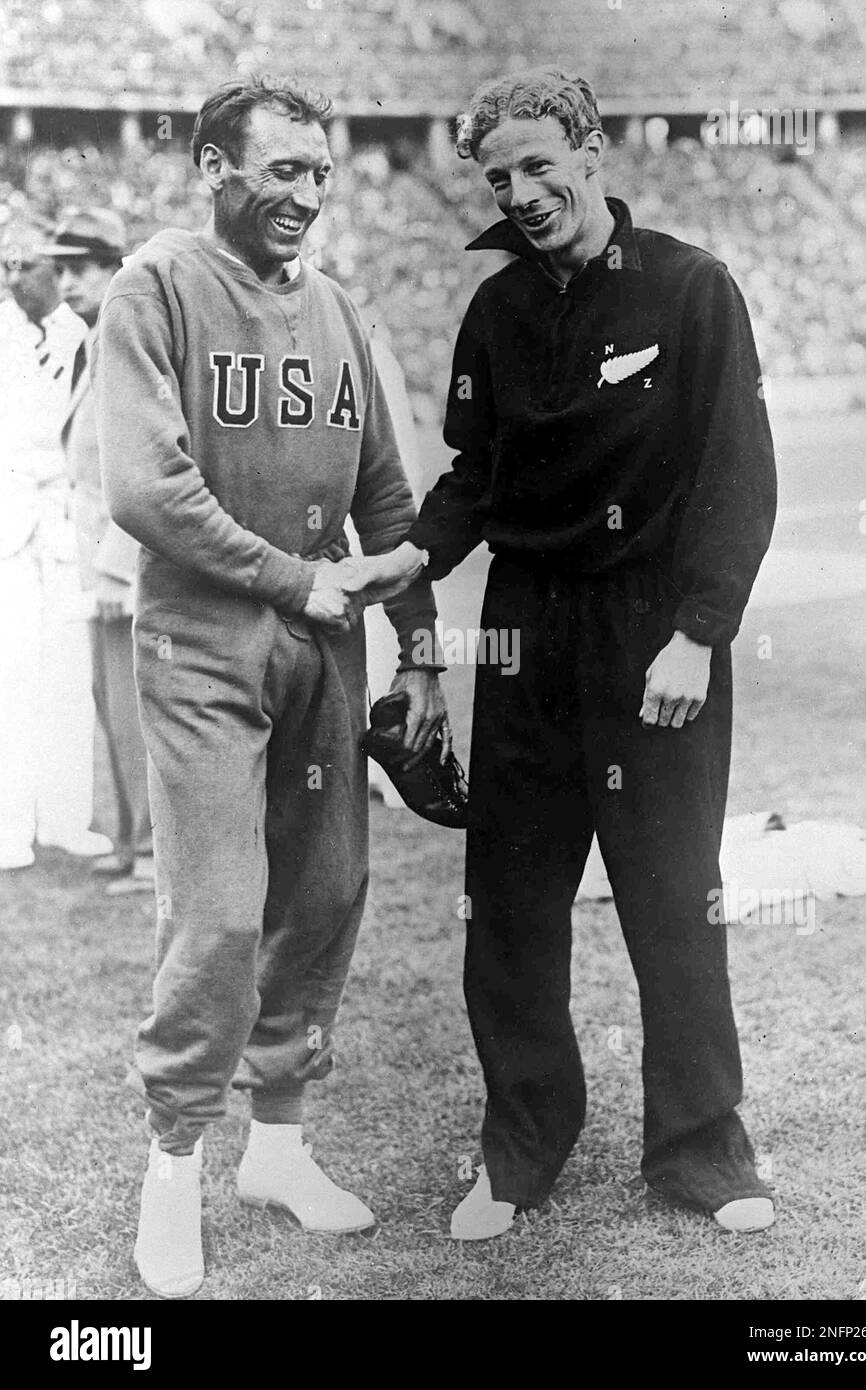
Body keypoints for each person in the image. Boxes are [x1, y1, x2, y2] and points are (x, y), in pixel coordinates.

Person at [404, 68, 779, 1239]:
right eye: (496, 176)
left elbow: (736, 477)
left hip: (652, 630)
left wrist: (697, 637)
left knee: (673, 901)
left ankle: (700, 1153)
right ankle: (517, 1151)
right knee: (509, 904)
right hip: (525, 632)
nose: (519, 192)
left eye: (534, 164)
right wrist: (403, 560)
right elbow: (474, 479)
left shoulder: (689, 287)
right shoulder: (498, 312)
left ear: (589, 151)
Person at [95, 77, 445, 1297]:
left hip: (322, 646)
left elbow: (388, 503)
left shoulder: (341, 310)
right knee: (221, 913)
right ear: (211, 165)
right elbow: (142, 487)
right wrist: (293, 578)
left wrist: (430, 657)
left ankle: (280, 1148)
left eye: (319, 173)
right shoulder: (155, 286)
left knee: (329, 890)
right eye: (280, 169)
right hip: (203, 637)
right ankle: (174, 1165)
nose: (305, 194)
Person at [41, 208, 155, 895]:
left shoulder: (125, 333)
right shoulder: (92, 339)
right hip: (92, 559)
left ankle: (150, 851)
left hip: (123, 561)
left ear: (114, 265)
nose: (66, 282)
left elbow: (142, 460)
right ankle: (123, 838)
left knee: (136, 708)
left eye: (79, 267)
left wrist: (116, 562)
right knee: (109, 703)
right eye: (59, 269)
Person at [0, 216, 110, 870]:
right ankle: (10, 827)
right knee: (11, 677)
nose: (14, 277)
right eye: (7, 266)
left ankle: (68, 820)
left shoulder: (87, 334)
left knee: (71, 677)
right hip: (11, 525)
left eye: (25, 265)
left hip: (70, 527)